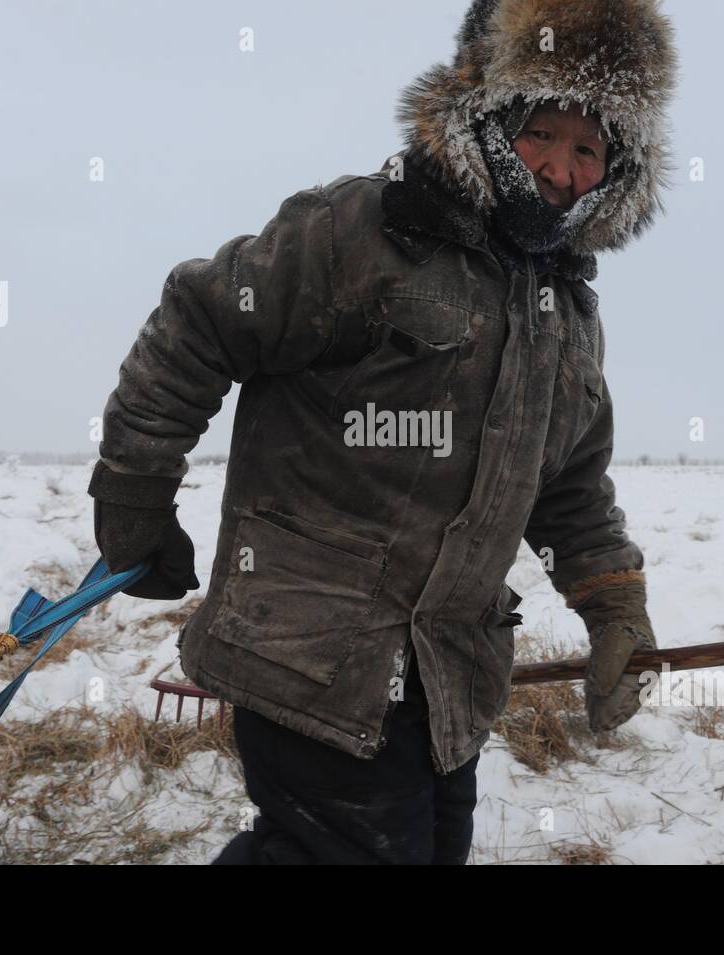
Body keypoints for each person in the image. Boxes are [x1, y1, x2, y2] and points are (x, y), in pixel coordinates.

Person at [87, 0, 678, 864]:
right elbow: (199, 323)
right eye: (542, 132)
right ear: (487, 114)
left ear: (615, 171)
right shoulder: (366, 230)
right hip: (314, 657)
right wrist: (135, 492)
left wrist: (615, 608)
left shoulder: (568, 316)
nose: (560, 168)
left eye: (589, 148)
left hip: (449, 682)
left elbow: (572, 491)